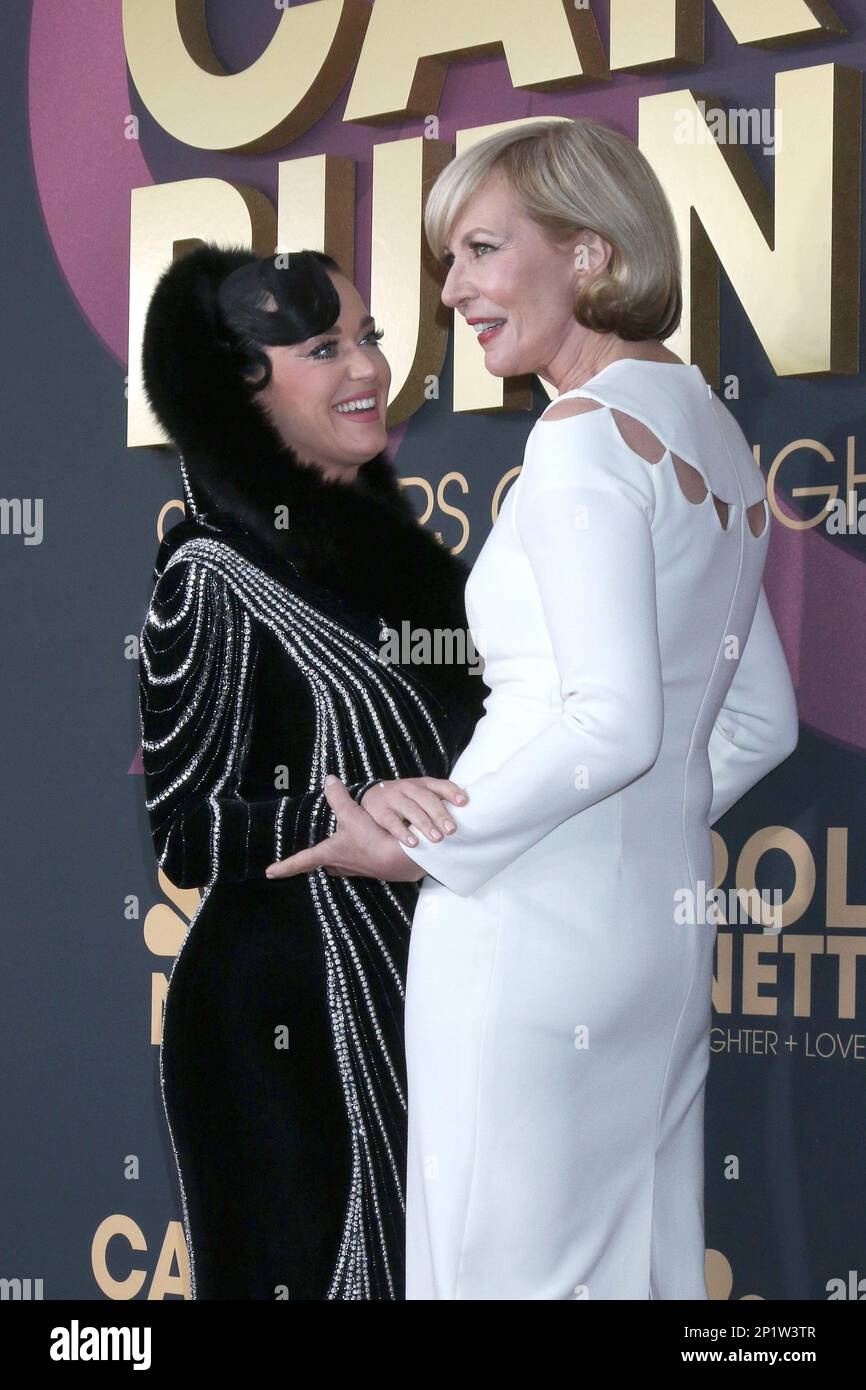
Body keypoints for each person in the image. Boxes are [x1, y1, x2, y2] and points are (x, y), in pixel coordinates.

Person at [266, 119, 799, 1299]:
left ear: (590, 252)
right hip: (651, 946)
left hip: (527, 942)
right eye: (446, 260)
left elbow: (611, 723)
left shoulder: (579, 438)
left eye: (481, 249)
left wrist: (431, 842)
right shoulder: (709, 436)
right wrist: (616, 829)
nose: (450, 291)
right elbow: (754, 721)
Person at [137, 243, 485, 1300]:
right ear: (241, 388)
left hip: (425, 998)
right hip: (279, 1029)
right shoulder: (210, 574)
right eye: (323, 348)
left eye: (367, 337)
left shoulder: (404, 572)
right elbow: (185, 832)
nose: (368, 367)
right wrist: (346, 811)